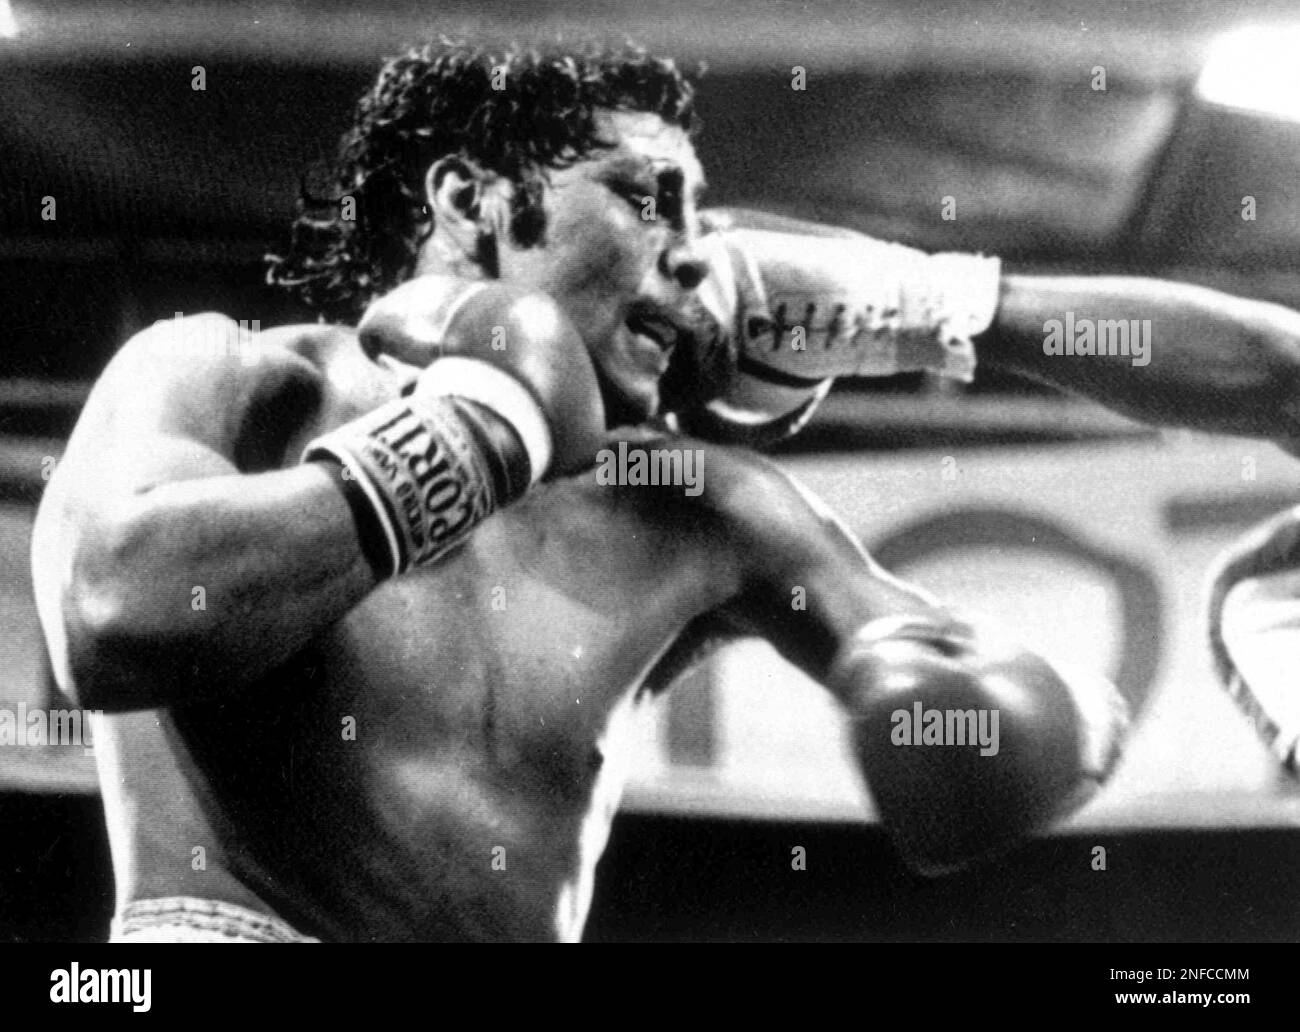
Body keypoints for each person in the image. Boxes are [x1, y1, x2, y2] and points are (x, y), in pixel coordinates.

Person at [29, 40, 1300, 943]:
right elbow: (119, 611)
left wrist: (933, 306)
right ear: (476, 203)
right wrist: (474, 438)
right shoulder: (232, 376)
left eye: (705, 214)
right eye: (649, 200)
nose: (701, 253)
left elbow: (960, 744)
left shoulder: (695, 506)